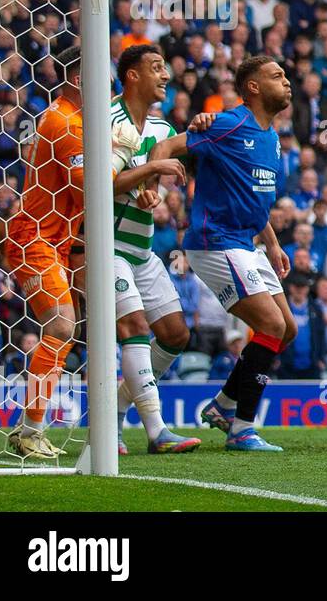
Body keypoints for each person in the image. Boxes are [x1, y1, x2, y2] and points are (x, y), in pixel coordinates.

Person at [148, 55, 297, 452]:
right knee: (271, 326)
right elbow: (168, 144)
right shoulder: (230, 123)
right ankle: (241, 429)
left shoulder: (271, 137)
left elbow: (253, 199)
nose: (286, 82)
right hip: (215, 242)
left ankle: (225, 403)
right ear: (252, 86)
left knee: (287, 329)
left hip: (247, 243)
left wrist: (273, 242)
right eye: (277, 76)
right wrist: (151, 180)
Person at [108, 44, 203, 455]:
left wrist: (206, 121)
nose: (165, 75)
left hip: (142, 250)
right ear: (132, 75)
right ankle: (156, 430)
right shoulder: (110, 119)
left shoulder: (161, 130)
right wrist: (152, 171)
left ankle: (111, 414)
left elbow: (171, 154)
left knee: (175, 334)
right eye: (156, 68)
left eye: (166, 67)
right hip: (105, 245)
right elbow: (103, 185)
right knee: (134, 328)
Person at [4, 47, 87, 459]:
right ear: (76, 77)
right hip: (35, 238)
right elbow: (86, 189)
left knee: (68, 330)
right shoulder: (67, 123)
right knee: (60, 326)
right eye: (99, 80)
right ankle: (29, 431)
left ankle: (32, 428)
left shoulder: (69, 118)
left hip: (58, 239)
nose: (108, 90)